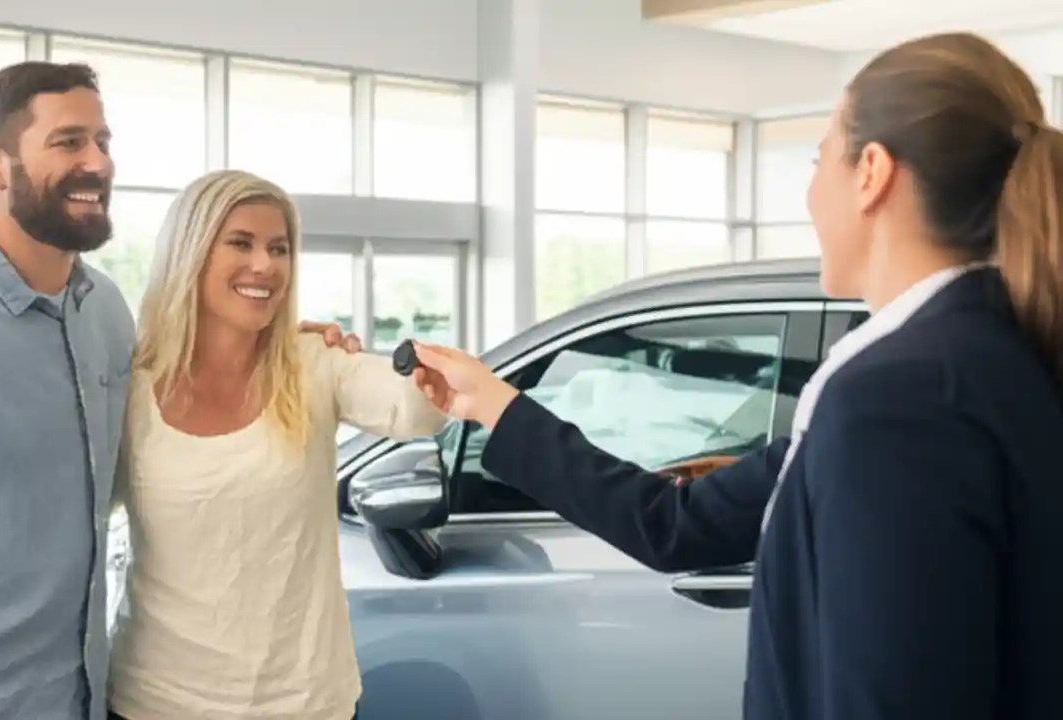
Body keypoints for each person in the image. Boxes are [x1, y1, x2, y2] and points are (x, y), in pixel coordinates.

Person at [409, 32, 1063, 720]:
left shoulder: (896, 400)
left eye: (818, 161)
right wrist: (494, 404)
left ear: (871, 172)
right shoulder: (990, 359)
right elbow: (678, 527)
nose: (811, 192)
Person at [0, 62, 356, 720]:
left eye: (103, 141)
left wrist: (262, 336)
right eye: (69, 142)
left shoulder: (103, 312)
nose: (97, 162)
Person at [105, 169, 448, 720]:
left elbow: (415, 407)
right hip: (155, 701)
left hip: (304, 703)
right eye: (240, 243)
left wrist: (427, 370)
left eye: (279, 248)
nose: (265, 265)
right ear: (189, 253)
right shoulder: (131, 389)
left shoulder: (314, 363)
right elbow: (77, 519)